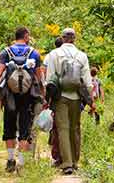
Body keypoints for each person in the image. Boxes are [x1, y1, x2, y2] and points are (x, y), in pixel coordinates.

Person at [0, 27, 45, 173]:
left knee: (9, 127)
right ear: (26, 36)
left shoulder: (6, 52)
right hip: (28, 96)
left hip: (9, 95)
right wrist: (43, 95)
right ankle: (21, 162)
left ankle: (10, 160)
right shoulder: (34, 53)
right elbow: (40, 78)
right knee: (24, 127)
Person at [44, 27, 93, 175]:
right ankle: (76, 161)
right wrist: (89, 99)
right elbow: (88, 82)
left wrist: (49, 99)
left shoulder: (54, 54)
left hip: (61, 97)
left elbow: (49, 80)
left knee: (62, 129)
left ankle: (67, 163)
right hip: (77, 97)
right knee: (75, 128)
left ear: (62, 38)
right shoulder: (82, 56)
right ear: (74, 39)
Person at [48, 37, 64, 167]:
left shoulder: (51, 56)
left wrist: (47, 99)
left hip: (56, 96)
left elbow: (49, 80)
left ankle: (57, 156)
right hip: (72, 96)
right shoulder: (72, 55)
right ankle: (69, 158)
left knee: (56, 128)